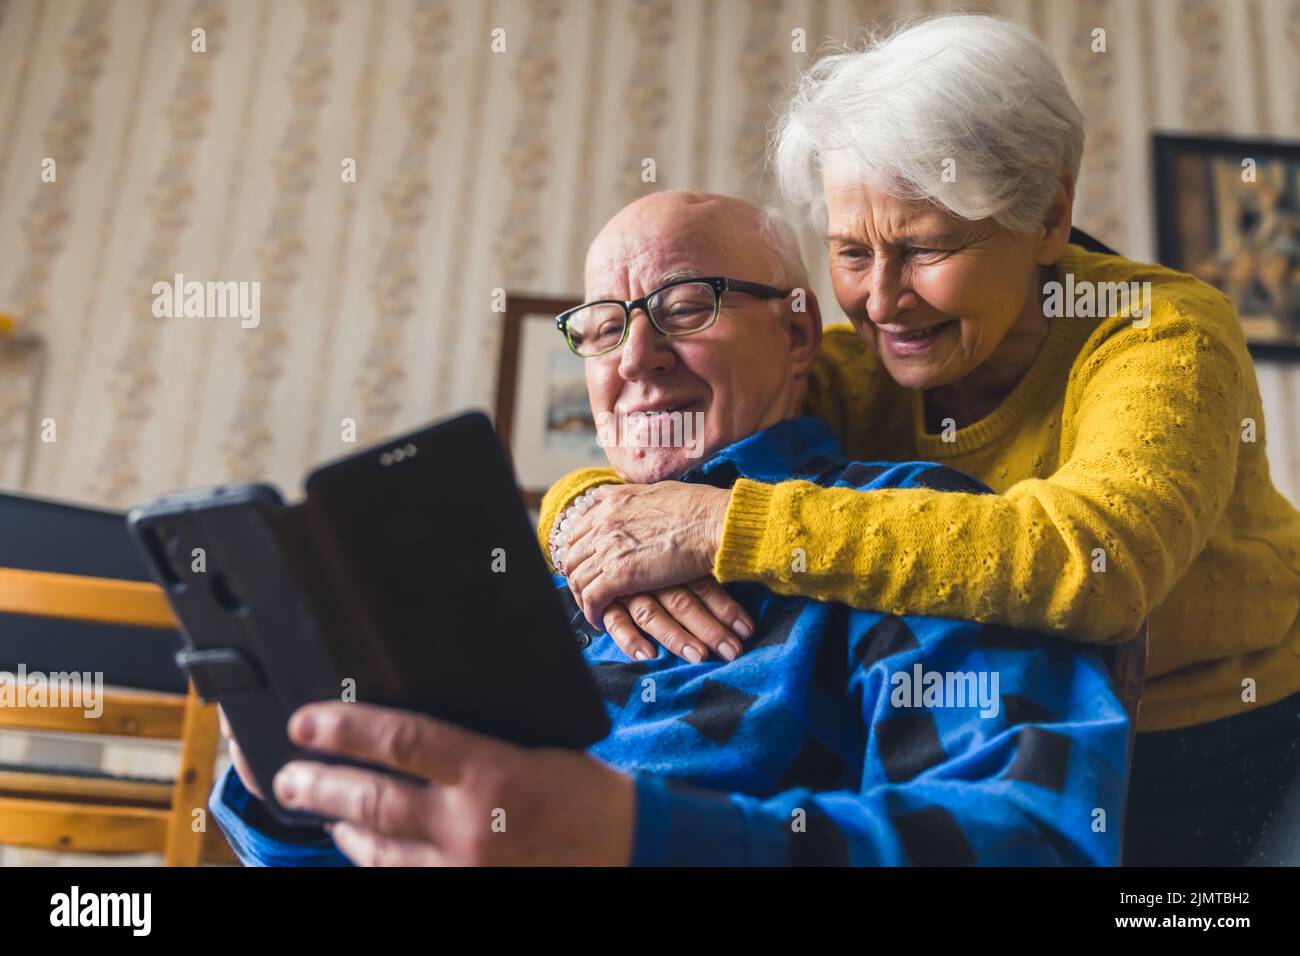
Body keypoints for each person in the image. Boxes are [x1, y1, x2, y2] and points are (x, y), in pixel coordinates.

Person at [540, 14, 1300, 866]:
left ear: (1049, 214)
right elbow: (667, 455)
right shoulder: (848, 363)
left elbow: (1094, 564)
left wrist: (720, 526)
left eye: (924, 248)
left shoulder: (1156, 332)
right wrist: (582, 522)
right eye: (851, 252)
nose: (881, 300)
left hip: (1234, 726)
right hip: (1025, 733)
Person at [210, 191, 1129, 866]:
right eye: (604, 328)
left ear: (800, 335)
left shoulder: (919, 533)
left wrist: (639, 839)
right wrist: (286, 792)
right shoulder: (542, 568)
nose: (637, 359)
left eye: (686, 308)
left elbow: (1033, 839)